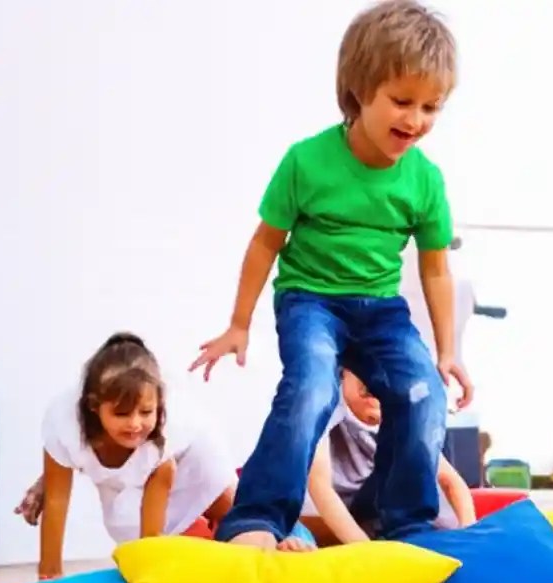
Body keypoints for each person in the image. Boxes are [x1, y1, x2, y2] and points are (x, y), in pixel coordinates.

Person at [188, 0, 472, 550]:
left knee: (422, 393)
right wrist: (238, 325)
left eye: (431, 107)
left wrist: (447, 350)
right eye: (402, 101)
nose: (415, 120)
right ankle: (258, 516)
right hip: (310, 300)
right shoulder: (307, 162)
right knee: (313, 388)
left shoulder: (426, 180)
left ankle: (402, 519)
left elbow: (436, 270)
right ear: (360, 89)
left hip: (380, 309)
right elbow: (265, 243)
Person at [34, 333, 313, 582]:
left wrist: (149, 572)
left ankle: (293, 541)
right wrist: (49, 575)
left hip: (191, 450)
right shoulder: (66, 425)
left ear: (158, 405)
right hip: (139, 465)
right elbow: (57, 500)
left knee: (235, 515)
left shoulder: (165, 433)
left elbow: (151, 542)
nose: (134, 424)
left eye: (145, 412)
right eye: (121, 414)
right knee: (135, 532)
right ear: (95, 407)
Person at [302, 369, 476, 544]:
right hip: (362, 520)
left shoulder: (403, 415)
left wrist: (469, 532)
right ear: (343, 374)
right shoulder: (326, 407)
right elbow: (319, 484)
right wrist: (365, 547)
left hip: (423, 523)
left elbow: (450, 480)